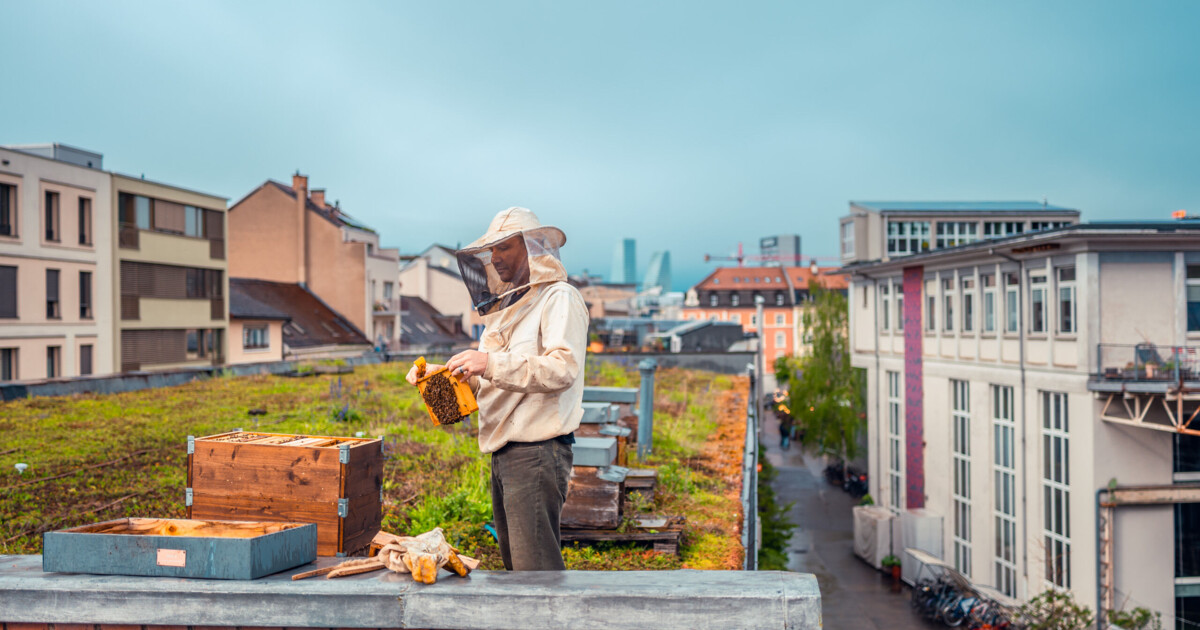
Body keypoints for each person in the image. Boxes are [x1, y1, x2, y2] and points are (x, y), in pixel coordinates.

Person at [407, 207, 589, 571]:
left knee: (534, 575)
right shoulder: (504, 310)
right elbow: (490, 377)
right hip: (504, 452)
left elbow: (562, 369)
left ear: (530, 247)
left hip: (537, 451)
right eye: (491, 251)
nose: (494, 258)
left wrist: (487, 362)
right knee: (516, 569)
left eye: (503, 248)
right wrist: (445, 375)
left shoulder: (559, 298)